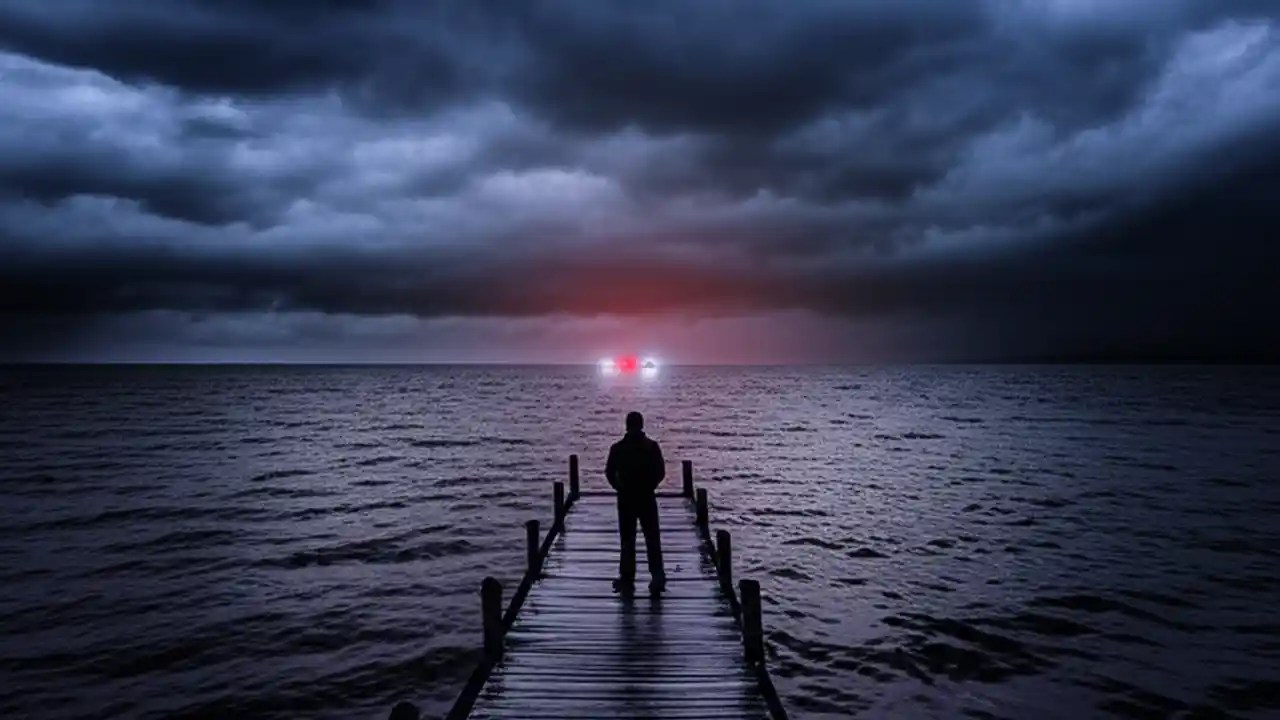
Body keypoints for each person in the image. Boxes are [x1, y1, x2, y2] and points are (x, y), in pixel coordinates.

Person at [605, 411, 667, 592]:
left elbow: (609, 473)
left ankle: (627, 577)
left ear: (627, 425)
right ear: (641, 425)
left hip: (627, 498)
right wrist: (651, 485)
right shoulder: (651, 447)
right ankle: (656, 576)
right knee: (651, 538)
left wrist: (619, 487)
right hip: (645, 497)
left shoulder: (618, 448)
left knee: (628, 539)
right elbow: (660, 471)